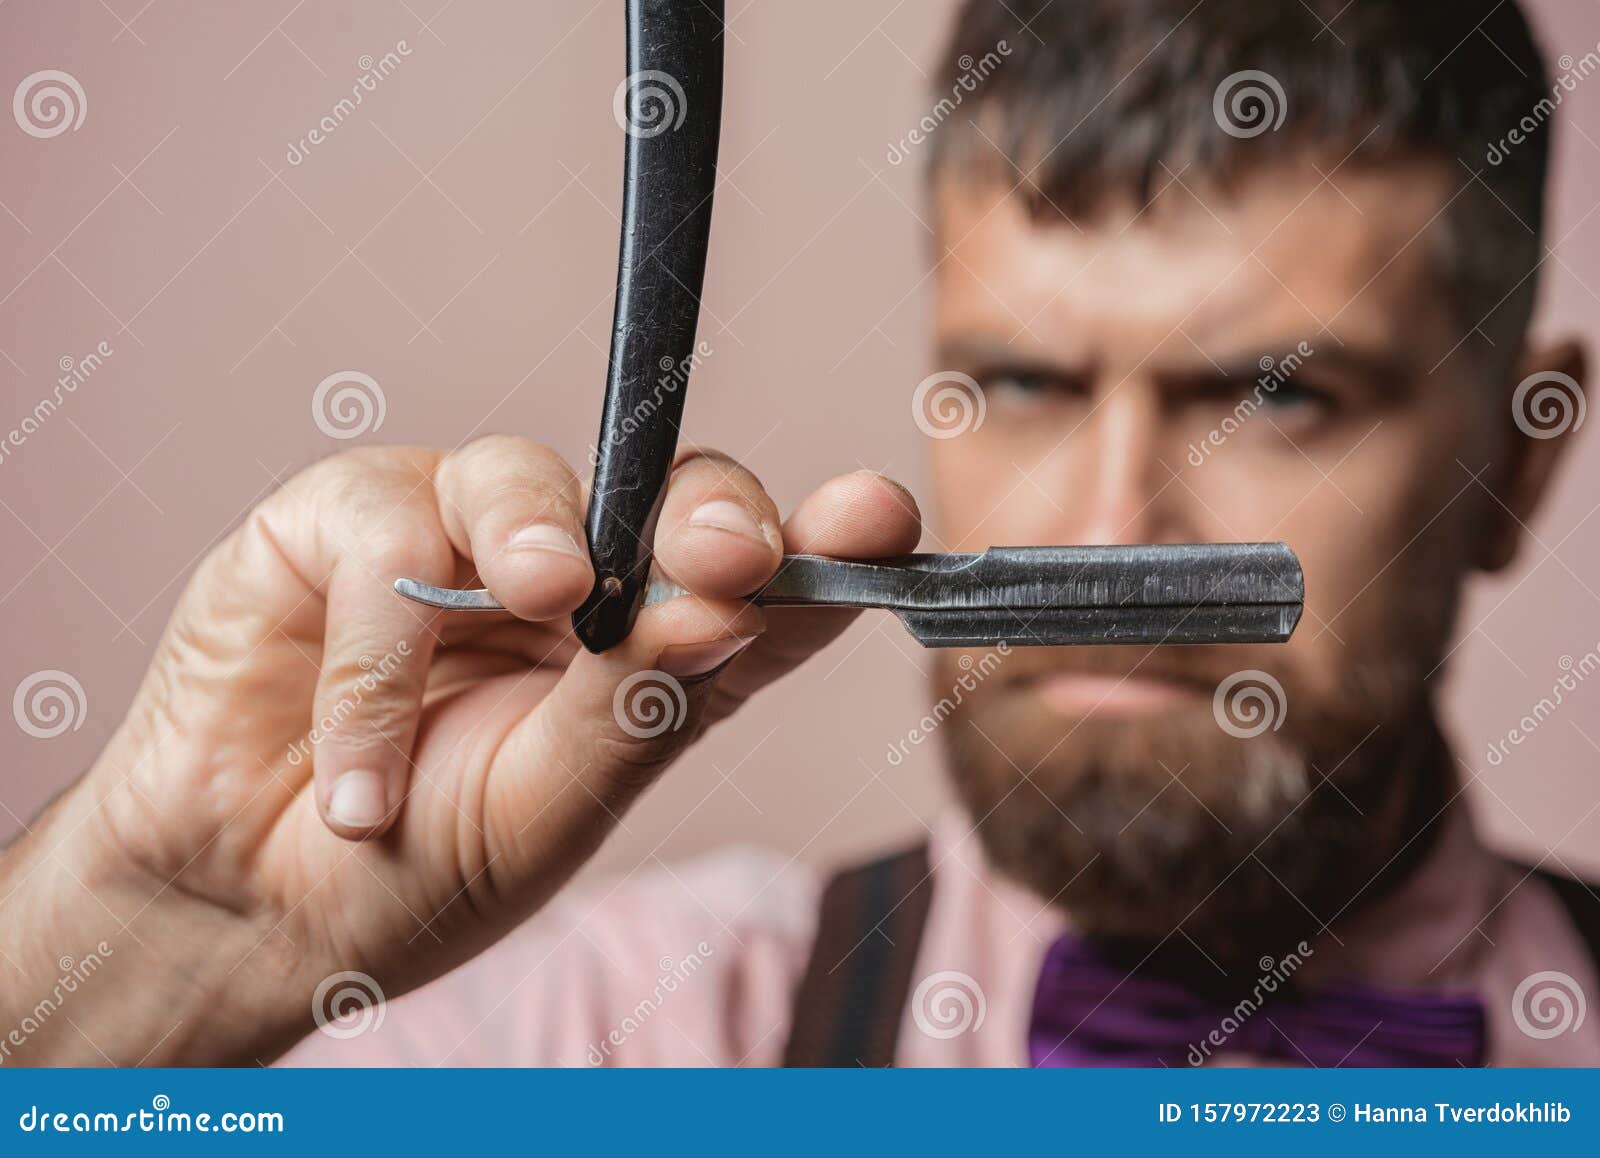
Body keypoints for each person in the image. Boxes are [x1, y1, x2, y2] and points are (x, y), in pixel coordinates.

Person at [2, 0, 1595, 1068]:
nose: (1113, 528)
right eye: (1023, 383)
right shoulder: (624, 1037)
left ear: (1522, 464)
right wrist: (158, 946)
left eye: (1282, 397)